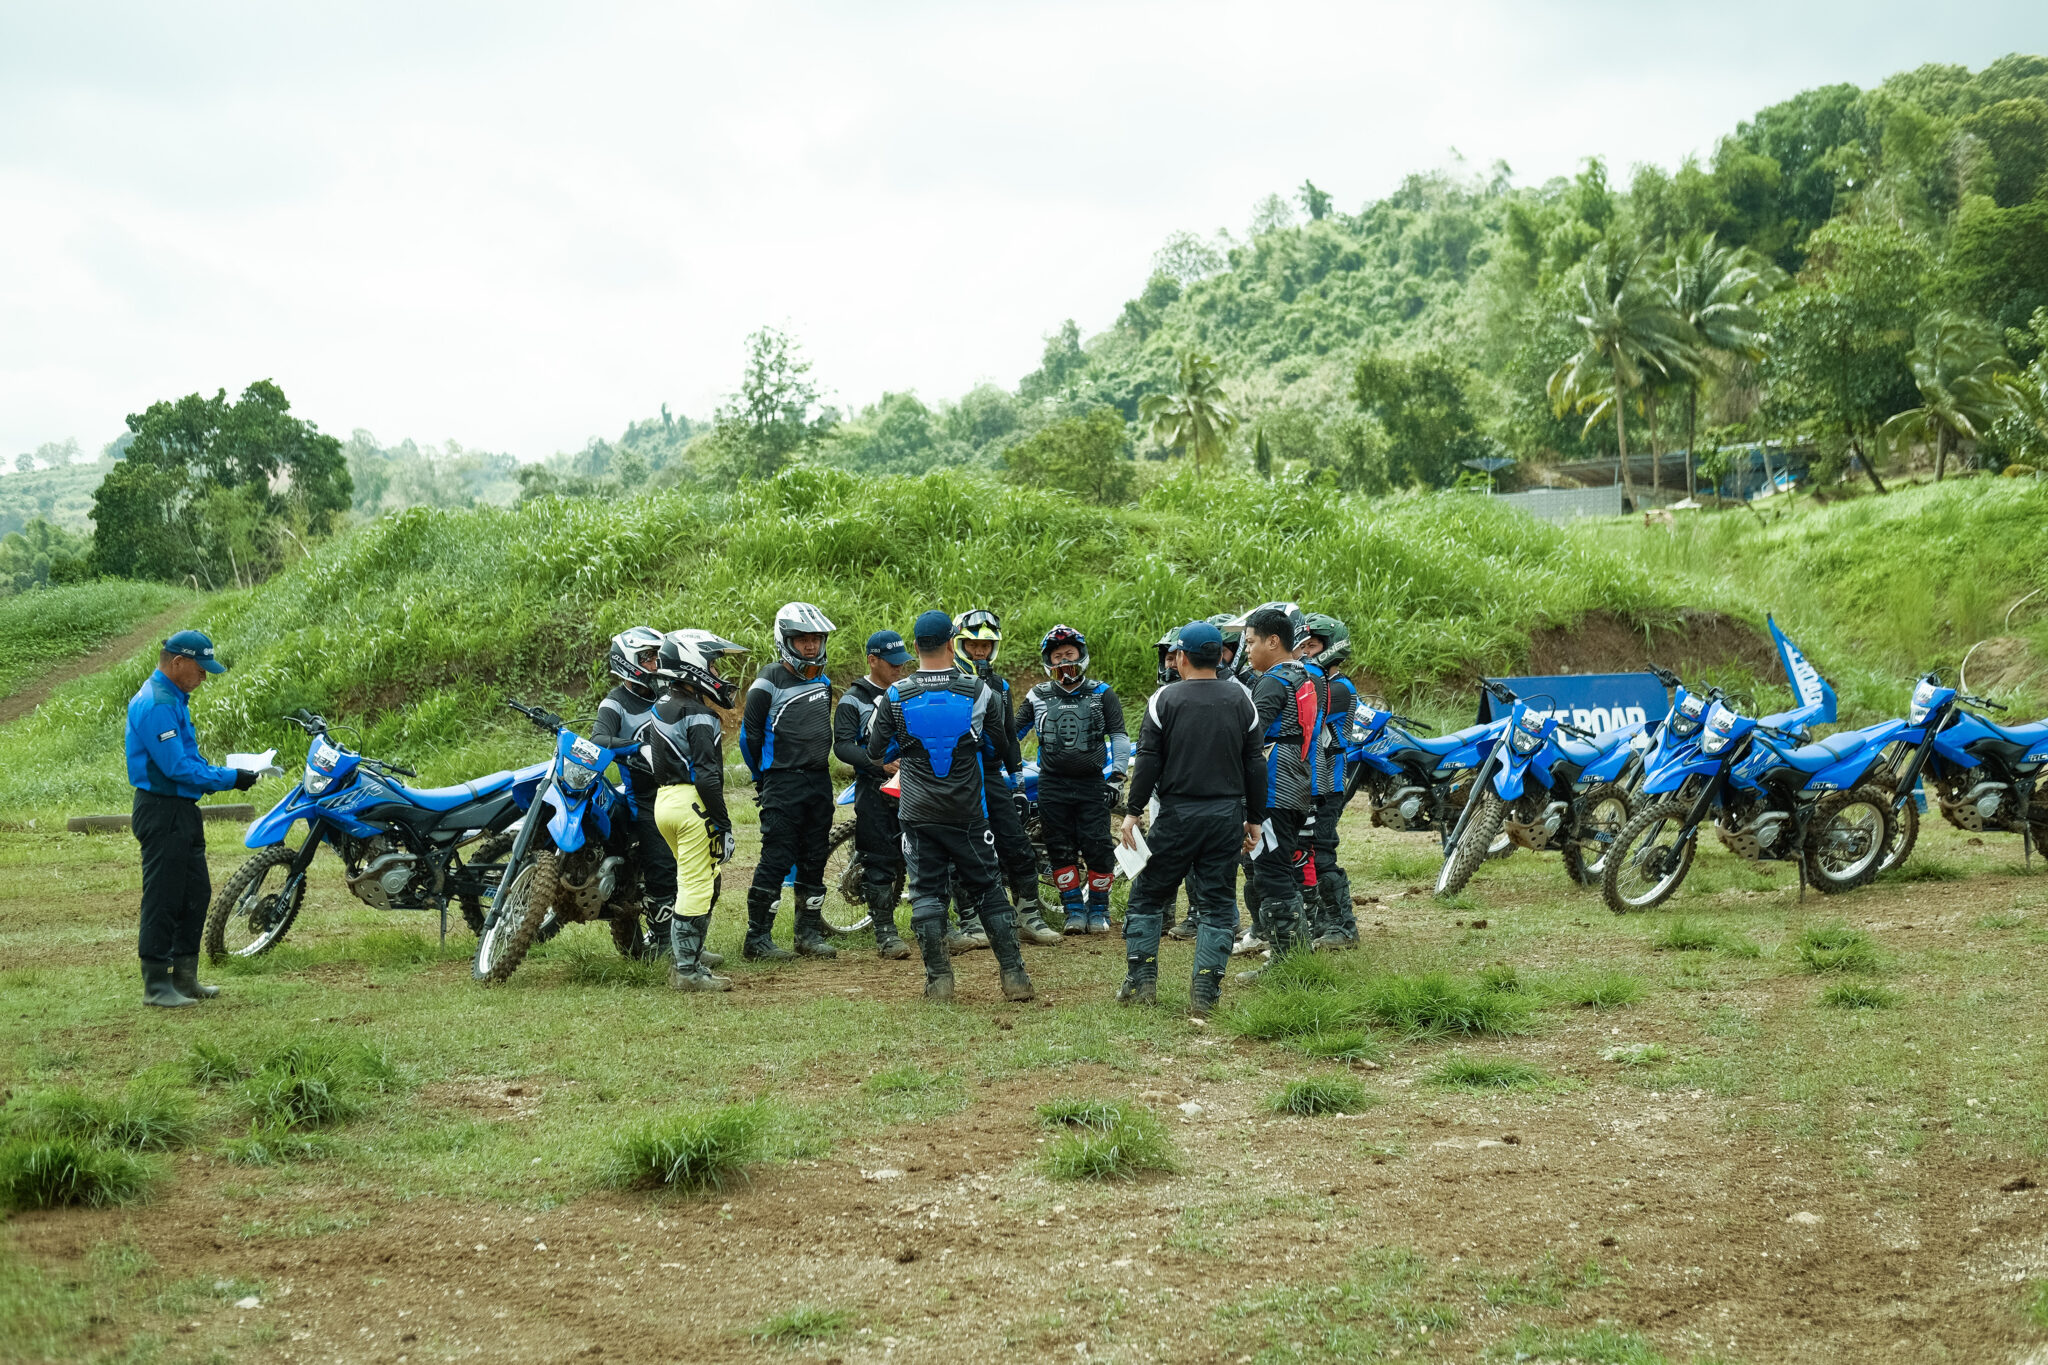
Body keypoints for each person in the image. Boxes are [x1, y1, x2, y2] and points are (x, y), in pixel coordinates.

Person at [867, 610, 1034, 1003]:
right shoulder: (979, 691)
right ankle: (1014, 977)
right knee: (989, 887)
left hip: (918, 813)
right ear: (950, 642)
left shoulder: (894, 695)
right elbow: (997, 746)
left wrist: (906, 749)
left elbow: (876, 751)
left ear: (916, 647)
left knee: (925, 892)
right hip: (968, 812)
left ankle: (939, 981)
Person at [1118, 622, 1264, 1021]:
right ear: (1219, 656)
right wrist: (1254, 819)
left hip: (1177, 814)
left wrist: (1132, 813)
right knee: (1217, 902)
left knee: (1148, 894)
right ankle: (1205, 990)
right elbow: (1255, 764)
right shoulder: (1242, 700)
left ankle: (1141, 981)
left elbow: (1148, 760)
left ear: (1181, 657)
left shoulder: (1164, 699)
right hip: (1226, 815)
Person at [124, 630, 256, 1007]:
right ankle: (157, 985)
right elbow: (177, 768)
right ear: (178, 662)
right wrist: (231, 778)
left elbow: (190, 760)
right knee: (163, 897)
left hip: (182, 811)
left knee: (195, 892)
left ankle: (184, 977)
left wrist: (223, 772)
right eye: (201, 669)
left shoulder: (174, 698)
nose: (204, 676)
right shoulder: (157, 704)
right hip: (161, 810)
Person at [641, 630, 749, 991]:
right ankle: (686, 970)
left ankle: (691, 955)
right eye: (712, 663)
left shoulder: (661, 706)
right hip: (691, 806)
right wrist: (723, 822)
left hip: (665, 803)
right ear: (693, 664)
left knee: (702, 878)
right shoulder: (700, 714)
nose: (717, 672)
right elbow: (707, 776)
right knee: (697, 886)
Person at [952, 609, 1062, 947]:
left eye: (987, 644)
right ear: (960, 644)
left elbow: (1009, 736)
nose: (981, 650)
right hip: (956, 776)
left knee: (1016, 844)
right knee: (963, 851)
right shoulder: (946, 679)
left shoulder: (999, 685)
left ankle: (1028, 916)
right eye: (974, 644)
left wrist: (1015, 780)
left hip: (990, 773)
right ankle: (970, 921)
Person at [740, 602, 839, 961]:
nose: (810, 646)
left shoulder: (823, 682)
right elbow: (748, 737)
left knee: (815, 857)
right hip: (782, 782)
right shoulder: (767, 682)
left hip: (818, 781)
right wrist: (760, 777)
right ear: (785, 641)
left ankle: (808, 934)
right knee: (777, 857)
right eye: (801, 640)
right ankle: (757, 939)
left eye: (815, 639)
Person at [1231, 602, 1326, 972]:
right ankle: (1297, 957)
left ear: (1273, 641)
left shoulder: (1273, 681)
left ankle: (1289, 963)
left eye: (1251, 642)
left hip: (1272, 789)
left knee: (1271, 874)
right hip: (1297, 783)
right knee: (1281, 869)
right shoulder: (1305, 677)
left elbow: (1248, 737)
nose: (1248, 650)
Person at [1016, 626, 1129, 935]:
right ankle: (1073, 912)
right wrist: (1008, 767)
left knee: (1099, 847)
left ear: (1081, 656)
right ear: (1047, 661)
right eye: (1057, 656)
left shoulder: (1102, 693)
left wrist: (1117, 777)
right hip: (1052, 783)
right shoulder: (1037, 695)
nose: (1064, 660)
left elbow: (1119, 734)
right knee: (1059, 848)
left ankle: (1099, 910)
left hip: (1092, 783)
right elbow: (1012, 734)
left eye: (1069, 654)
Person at [591, 626, 674, 957]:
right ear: (627, 661)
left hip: (680, 788)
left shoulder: (668, 693)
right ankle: (666, 944)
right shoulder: (615, 703)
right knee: (663, 867)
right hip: (645, 796)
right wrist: (636, 748)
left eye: (656, 656)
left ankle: (689, 939)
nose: (655, 663)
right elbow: (599, 739)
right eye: (647, 658)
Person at [834, 630, 914, 959]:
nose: (899, 669)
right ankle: (885, 932)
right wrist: (878, 764)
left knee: (930, 855)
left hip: (915, 788)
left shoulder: (909, 692)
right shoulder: (853, 699)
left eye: (903, 663)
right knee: (879, 860)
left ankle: (940, 925)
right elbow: (842, 746)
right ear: (873, 660)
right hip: (875, 790)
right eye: (892, 664)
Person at [1301, 613, 1361, 951]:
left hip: (1329, 783)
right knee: (1307, 851)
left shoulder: (1336, 687)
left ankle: (1343, 926)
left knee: (1321, 851)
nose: (1305, 652)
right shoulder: (1319, 681)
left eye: (1311, 646)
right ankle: (1321, 922)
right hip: (1312, 781)